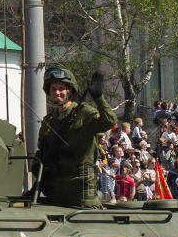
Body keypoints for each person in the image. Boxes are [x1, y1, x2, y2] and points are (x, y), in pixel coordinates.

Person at [34, 66, 118, 208]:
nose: (57, 93)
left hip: (81, 190)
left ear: (70, 91)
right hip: (55, 190)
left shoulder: (83, 113)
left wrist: (98, 98)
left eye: (61, 89)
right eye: (53, 89)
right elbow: (41, 151)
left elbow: (109, 121)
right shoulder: (49, 121)